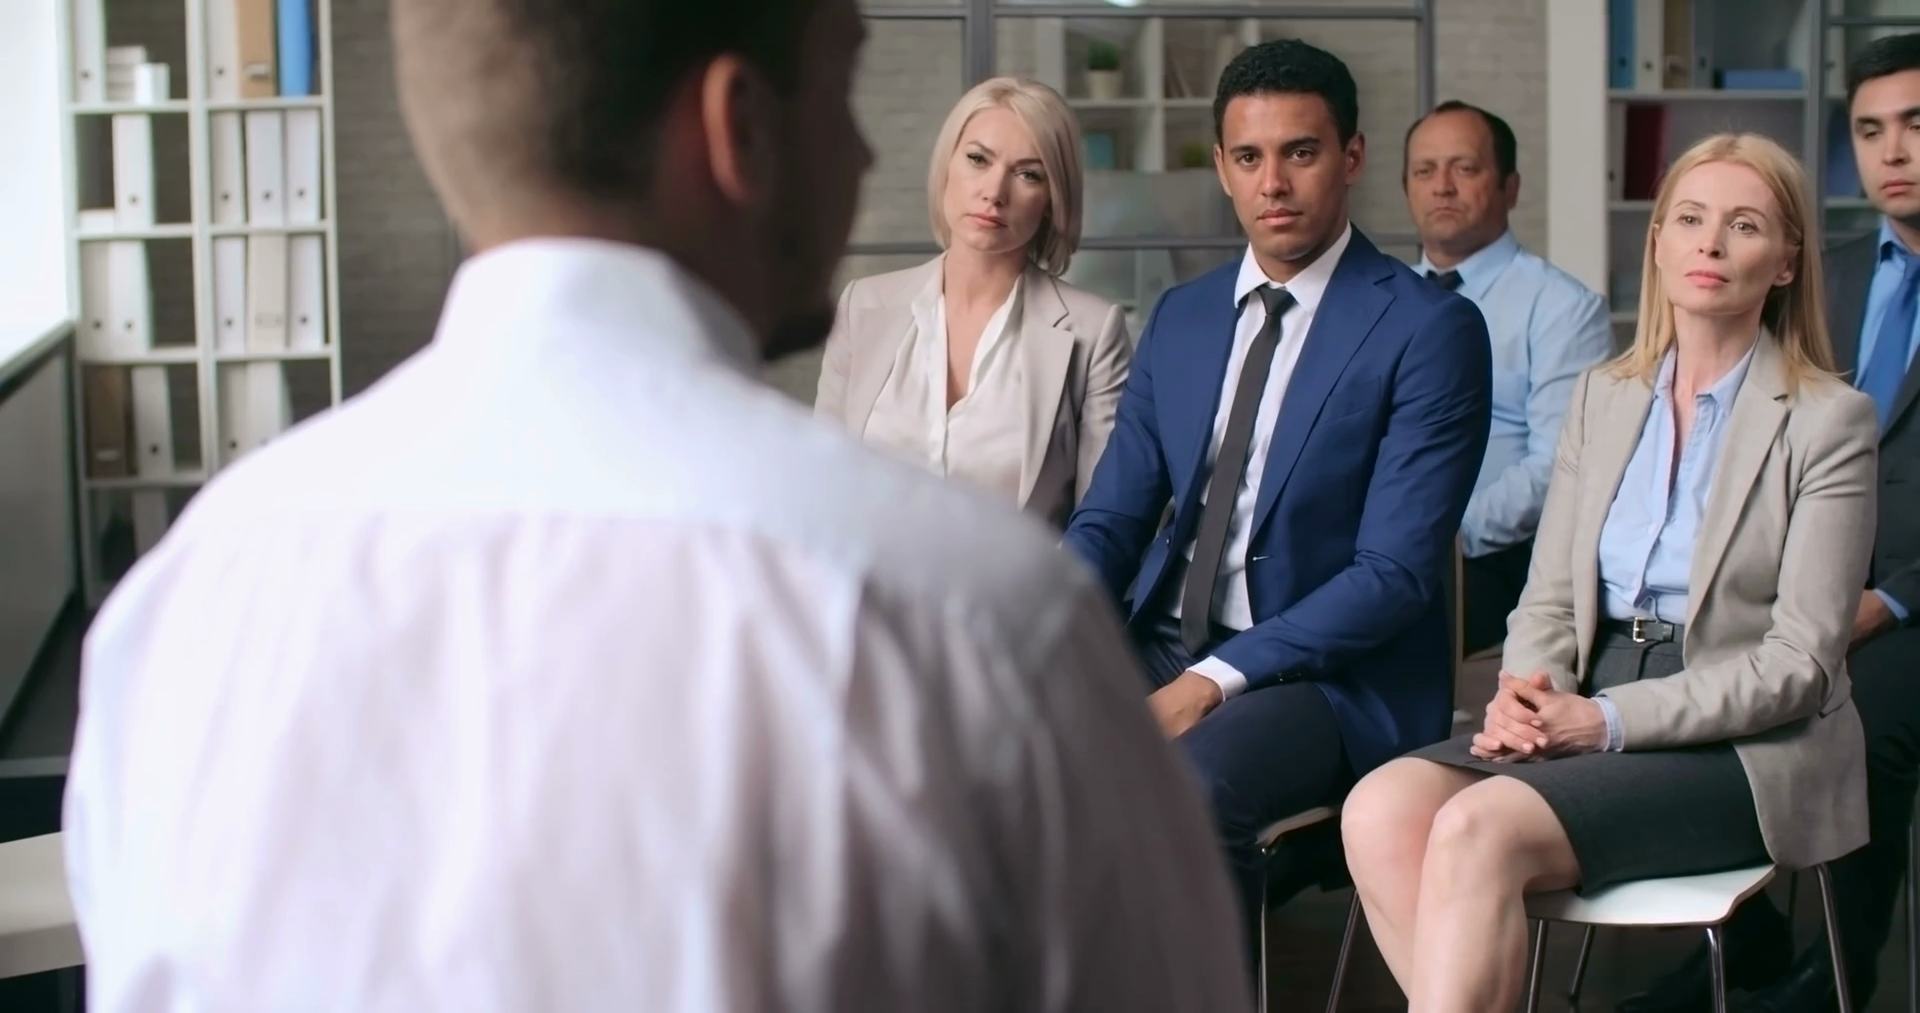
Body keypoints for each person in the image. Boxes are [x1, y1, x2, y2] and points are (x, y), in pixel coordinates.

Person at [60, 2, 1255, 1010]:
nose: (868, 157)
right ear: (740, 131)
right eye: (841, 93)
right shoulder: (982, 621)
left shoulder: (183, 599)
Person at [1339, 132, 1878, 1013]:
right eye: (1691, 219)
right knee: (1380, 807)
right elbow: (1549, 592)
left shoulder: (1829, 421)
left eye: (1744, 225)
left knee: (1477, 828)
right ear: (1658, 240)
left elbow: (1798, 666)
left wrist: (1604, 720)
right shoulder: (1605, 395)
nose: (1710, 244)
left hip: (1746, 744)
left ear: (1785, 261)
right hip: (1584, 693)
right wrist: (1526, 685)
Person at [1063, 37, 1494, 962]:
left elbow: (1393, 576)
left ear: (1351, 157)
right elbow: (1113, 518)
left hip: (1330, 675)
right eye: (1250, 157)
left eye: (1300, 152)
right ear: (1220, 167)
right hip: (1169, 636)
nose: (1275, 183)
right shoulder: (1182, 316)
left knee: (1185, 787)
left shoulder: (1430, 329)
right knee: (992, 739)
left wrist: (1209, 681)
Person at [1621, 34, 1920, 1013]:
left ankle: (1838, 972)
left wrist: (1888, 592)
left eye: (1915, 125)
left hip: (1904, 603)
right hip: (1799, 578)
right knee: (1676, 665)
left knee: (1858, 717)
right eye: (1871, 130)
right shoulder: (1820, 270)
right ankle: (1742, 939)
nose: (1893, 152)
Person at [816, 76, 1131, 528]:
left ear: (1052, 199)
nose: (994, 192)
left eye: (1028, 174)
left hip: (1018, 597)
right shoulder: (862, 307)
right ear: (947, 166)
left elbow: (1103, 526)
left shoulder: (1093, 332)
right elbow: (825, 487)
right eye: (978, 159)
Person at [1404, 100, 1614, 656]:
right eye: (1425, 171)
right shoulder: (1381, 301)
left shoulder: (1564, 308)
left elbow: (1556, 468)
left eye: (1464, 168)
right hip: (1379, 546)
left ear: (1510, 187)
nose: (1441, 186)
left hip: (1491, 559)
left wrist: (1442, 540)